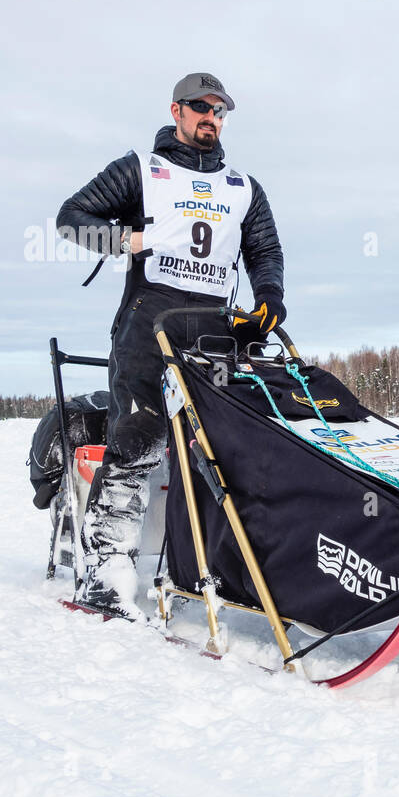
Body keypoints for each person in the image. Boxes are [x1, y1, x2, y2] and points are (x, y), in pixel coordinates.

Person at [56, 72, 287, 615]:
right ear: (177, 111)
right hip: (149, 320)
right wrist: (126, 239)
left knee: (224, 447)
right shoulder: (141, 169)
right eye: (201, 107)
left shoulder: (243, 187)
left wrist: (271, 299)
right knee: (138, 440)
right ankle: (105, 577)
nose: (212, 117)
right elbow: (70, 220)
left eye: (220, 110)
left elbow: (265, 252)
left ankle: (222, 568)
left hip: (216, 328)